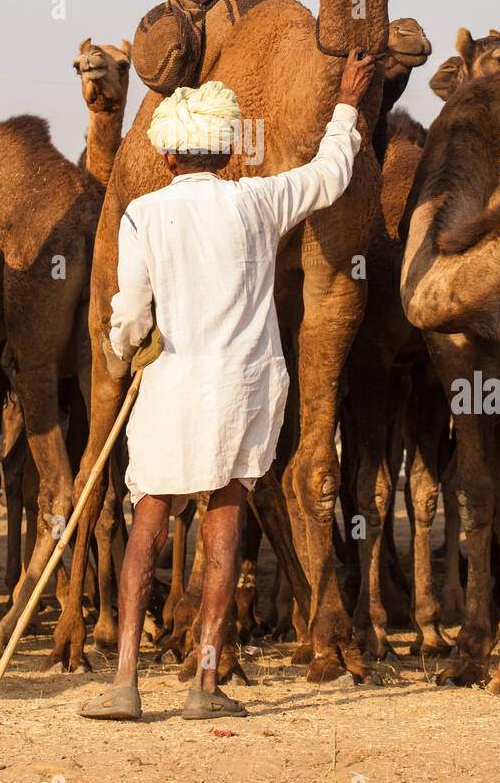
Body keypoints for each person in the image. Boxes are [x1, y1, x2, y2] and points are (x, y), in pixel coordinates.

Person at [81, 44, 375, 721]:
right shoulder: (257, 201)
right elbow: (331, 175)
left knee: (147, 525)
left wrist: (125, 346)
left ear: (168, 158)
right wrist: (348, 103)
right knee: (224, 527)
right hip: (243, 389)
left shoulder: (142, 215)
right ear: (228, 152)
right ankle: (204, 687)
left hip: (169, 389)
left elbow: (129, 312)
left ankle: (124, 684)